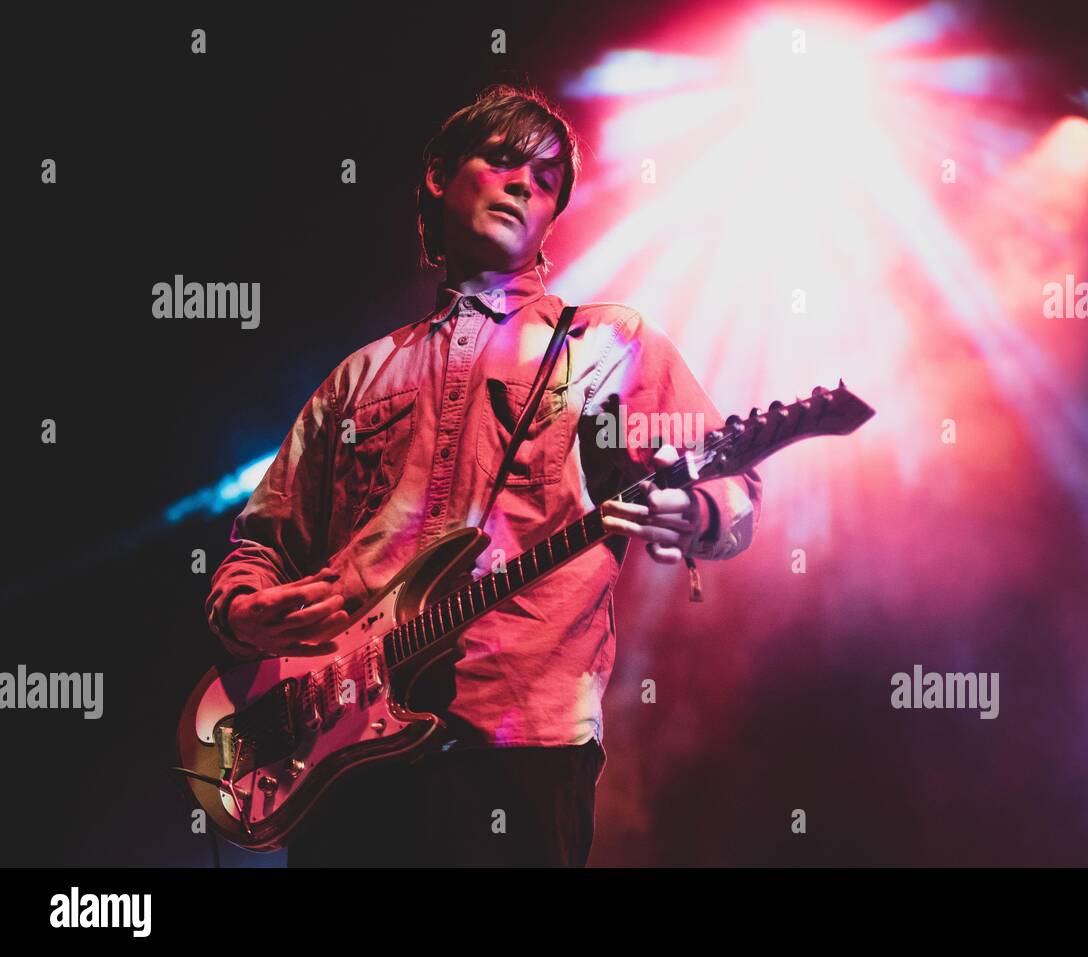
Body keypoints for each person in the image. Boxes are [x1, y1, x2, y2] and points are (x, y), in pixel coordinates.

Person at [203, 83, 762, 866]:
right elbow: (259, 544)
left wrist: (698, 512)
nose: (524, 186)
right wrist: (245, 611)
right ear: (438, 175)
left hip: (519, 748)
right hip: (343, 753)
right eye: (502, 161)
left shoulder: (604, 347)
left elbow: (726, 487)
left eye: (545, 182)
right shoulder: (358, 377)